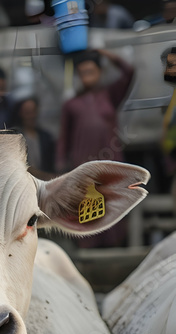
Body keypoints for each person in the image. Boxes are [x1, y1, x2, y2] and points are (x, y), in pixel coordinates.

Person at [57, 49, 135, 247]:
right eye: (83, 72)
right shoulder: (71, 104)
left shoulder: (110, 94)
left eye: (91, 71)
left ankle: (115, 248)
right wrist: (60, 169)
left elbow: (129, 71)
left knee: (112, 204)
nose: (87, 76)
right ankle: (88, 252)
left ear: (100, 72)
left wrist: (107, 54)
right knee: (86, 208)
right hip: (84, 164)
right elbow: (64, 138)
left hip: (111, 162)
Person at [10, 97, 55, 180]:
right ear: (21, 113)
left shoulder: (45, 137)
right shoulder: (14, 138)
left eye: (33, 112)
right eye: (27, 112)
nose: (31, 116)